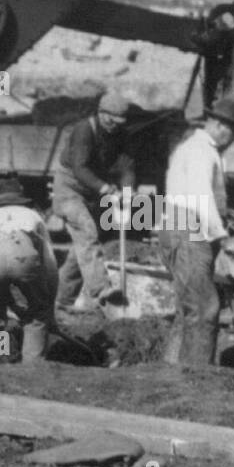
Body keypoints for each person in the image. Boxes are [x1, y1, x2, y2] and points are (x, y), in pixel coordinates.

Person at [159, 98, 234, 366]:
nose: (233, 139)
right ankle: (197, 382)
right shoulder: (200, 151)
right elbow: (202, 197)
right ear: (221, 126)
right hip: (188, 229)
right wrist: (223, 238)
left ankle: (171, 371)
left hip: (185, 228)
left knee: (188, 309)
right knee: (205, 309)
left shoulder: (201, 149)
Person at [52, 90, 135, 313]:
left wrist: (127, 190)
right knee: (87, 231)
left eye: (118, 122)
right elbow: (80, 168)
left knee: (82, 247)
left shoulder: (120, 134)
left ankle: (62, 300)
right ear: (100, 113)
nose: (113, 125)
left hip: (91, 192)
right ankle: (101, 290)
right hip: (69, 188)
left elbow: (126, 164)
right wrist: (106, 188)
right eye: (110, 120)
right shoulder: (83, 130)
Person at [0, 179, 59, 364]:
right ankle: (30, 369)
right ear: (21, 199)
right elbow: (50, 265)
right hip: (23, 252)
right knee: (38, 315)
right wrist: (49, 308)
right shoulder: (33, 216)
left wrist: (6, 302)